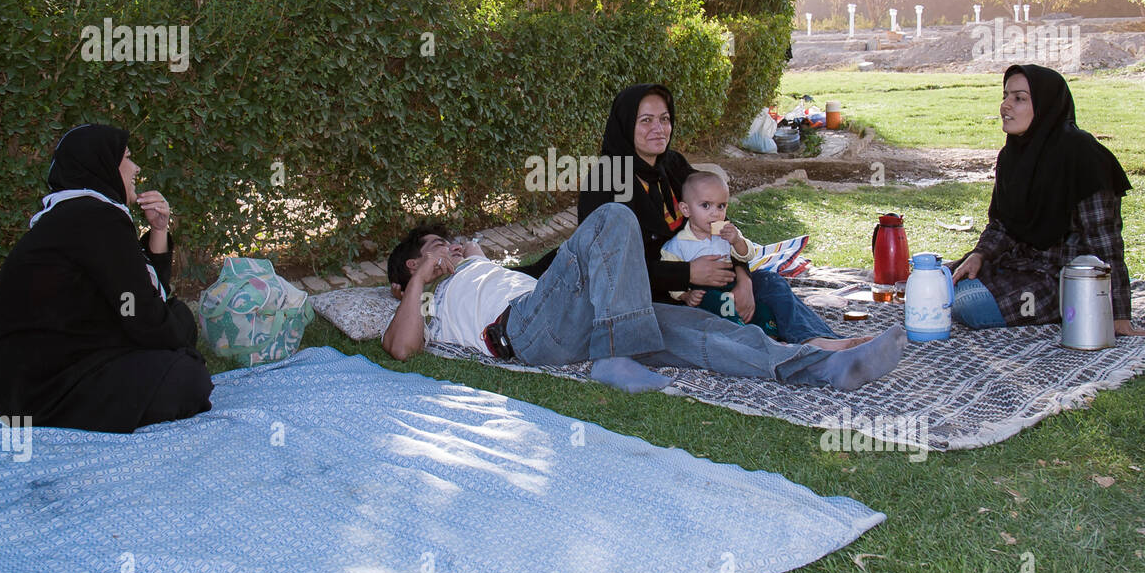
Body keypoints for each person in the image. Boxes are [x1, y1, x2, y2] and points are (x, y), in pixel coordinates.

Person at [383, 202, 907, 394]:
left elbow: (499, 262)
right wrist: (423, 275)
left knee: (703, 332)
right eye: (434, 246)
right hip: (522, 330)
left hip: (575, 317)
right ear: (413, 265)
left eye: (449, 242)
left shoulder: (478, 266)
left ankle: (820, 363)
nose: (448, 248)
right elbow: (402, 348)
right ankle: (615, 358)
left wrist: (470, 252)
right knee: (613, 217)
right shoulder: (430, 297)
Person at [577, 82, 860, 349]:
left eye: (664, 119)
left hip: (708, 280)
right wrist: (687, 275)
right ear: (626, 125)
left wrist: (742, 278)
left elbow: (718, 223)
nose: (659, 129)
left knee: (770, 284)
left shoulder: (672, 165)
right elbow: (606, 269)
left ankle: (817, 341)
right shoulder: (605, 181)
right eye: (646, 121)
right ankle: (776, 349)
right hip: (654, 296)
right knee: (704, 323)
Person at [0, 124, 214, 432]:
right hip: (48, 392)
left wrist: (159, 231)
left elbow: (134, 296)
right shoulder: (96, 219)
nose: (136, 168)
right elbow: (145, 317)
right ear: (102, 165)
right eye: (128, 158)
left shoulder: (80, 215)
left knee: (173, 339)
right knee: (188, 377)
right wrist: (183, 331)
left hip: (30, 389)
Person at [951, 64, 1145, 336]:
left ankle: (1074, 307)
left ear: (1046, 104)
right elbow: (1002, 225)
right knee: (936, 280)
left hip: (1063, 278)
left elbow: (1105, 243)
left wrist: (1117, 315)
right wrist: (980, 255)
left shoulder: (1082, 156)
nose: (1005, 106)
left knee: (969, 306)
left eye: (1019, 98)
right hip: (1018, 265)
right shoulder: (1012, 156)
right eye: (1005, 96)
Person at [660, 170, 782, 334]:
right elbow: (670, 276)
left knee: (762, 309)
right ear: (686, 209)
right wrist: (685, 296)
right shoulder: (678, 244)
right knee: (719, 302)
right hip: (705, 292)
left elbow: (748, 255)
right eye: (705, 205)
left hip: (731, 284)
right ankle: (742, 335)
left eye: (721, 206)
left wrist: (737, 241)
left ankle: (771, 338)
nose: (715, 213)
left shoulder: (726, 235)